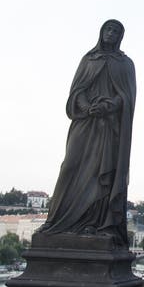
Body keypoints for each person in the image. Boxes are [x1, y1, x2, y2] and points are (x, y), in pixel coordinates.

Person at [41, 20, 136, 246]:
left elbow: (128, 97)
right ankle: (56, 222)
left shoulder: (125, 64)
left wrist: (111, 105)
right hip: (85, 123)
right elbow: (77, 91)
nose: (110, 34)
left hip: (109, 128)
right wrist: (85, 107)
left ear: (120, 36)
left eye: (115, 31)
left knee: (103, 174)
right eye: (107, 29)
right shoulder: (88, 59)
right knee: (69, 166)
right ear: (101, 32)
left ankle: (97, 222)